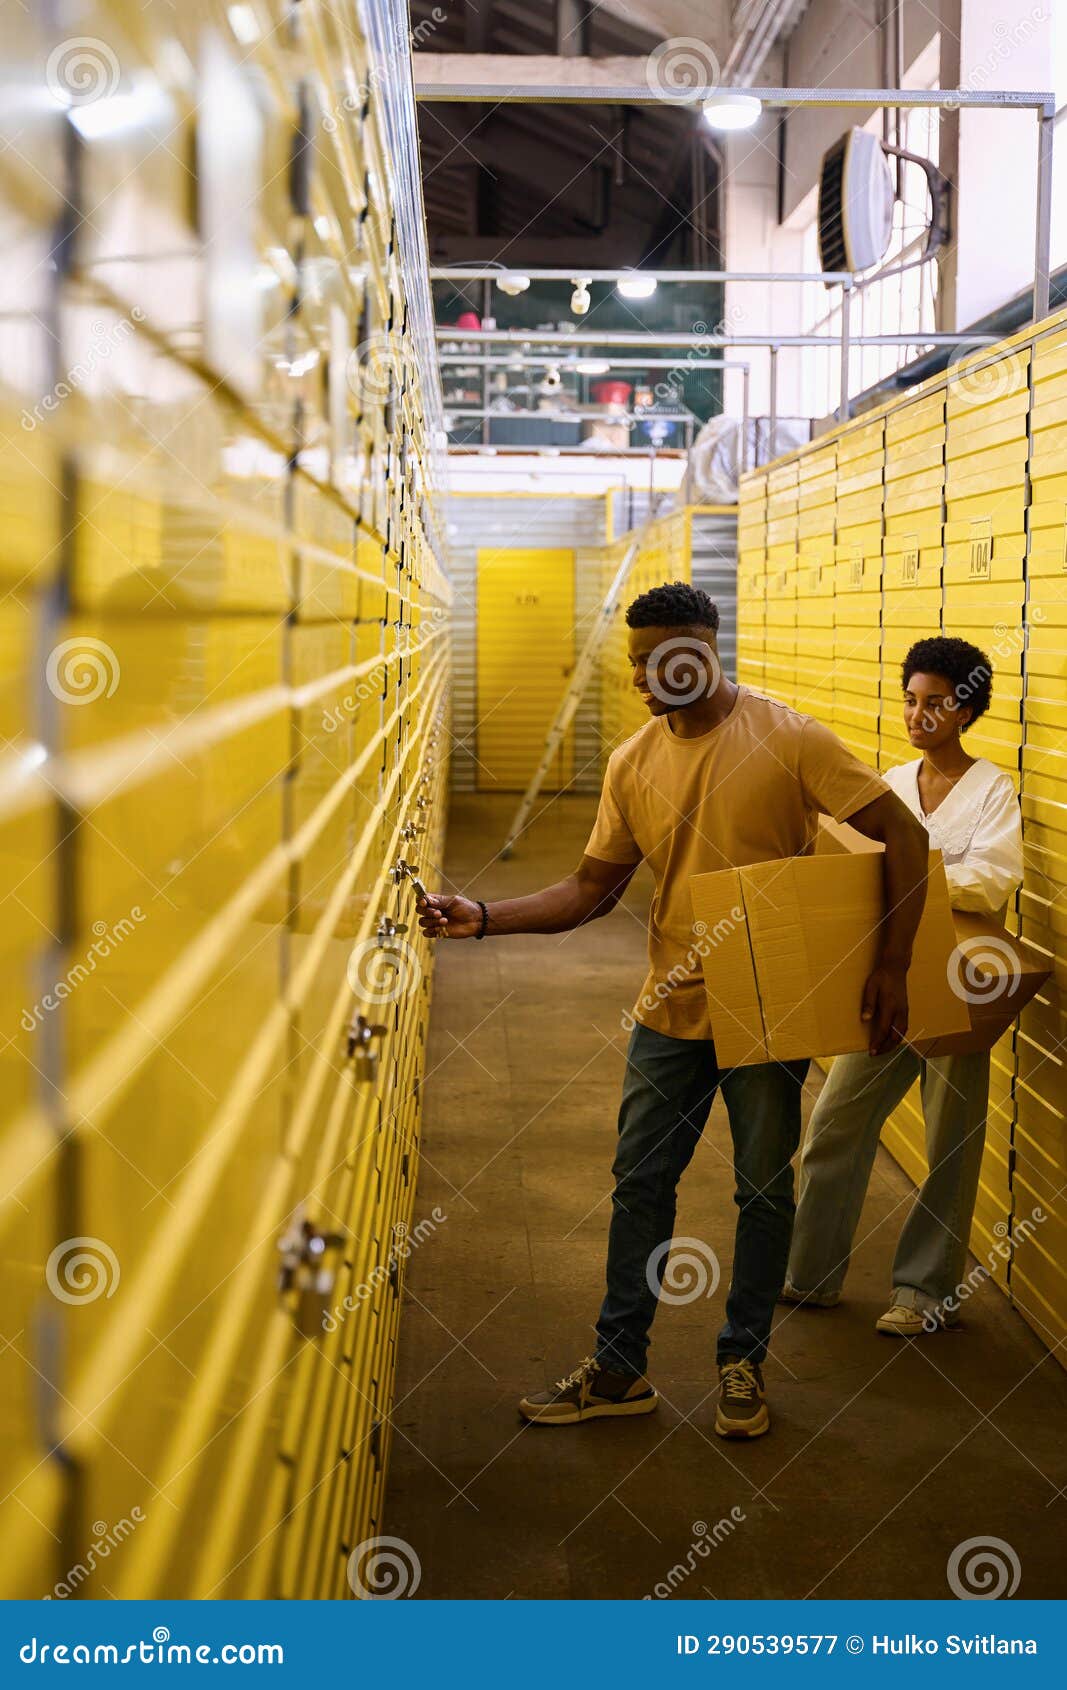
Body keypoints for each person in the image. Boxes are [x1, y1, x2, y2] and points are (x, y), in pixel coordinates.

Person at [416, 582, 929, 1438]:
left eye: (660, 660)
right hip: (668, 1005)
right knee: (640, 1186)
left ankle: (741, 1363)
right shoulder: (632, 762)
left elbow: (901, 836)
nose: (643, 680)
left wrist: (892, 965)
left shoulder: (787, 736)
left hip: (764, 1006)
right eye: (636, 663)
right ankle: (619, 1371)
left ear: (702, 647)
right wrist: (484, 918)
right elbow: (588, 889)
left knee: (762, 1192)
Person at [784, 635, 1024, 1335]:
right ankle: (809, 1274)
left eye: (935, 704)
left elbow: (993, 880)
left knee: (949, 1140)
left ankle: (923, 1295)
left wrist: (909, 873)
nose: (918, 716)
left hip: (956, 980)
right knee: (834, 1122)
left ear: (965, 708)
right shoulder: (887, 783)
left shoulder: (991, 789)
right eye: (911, 702)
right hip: (884, 978)